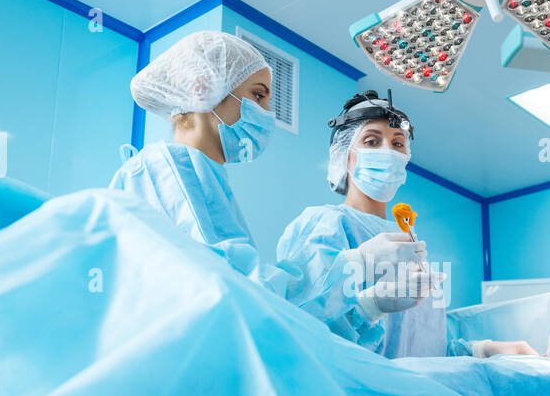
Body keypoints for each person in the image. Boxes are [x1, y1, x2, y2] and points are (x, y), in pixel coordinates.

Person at [111, 31, 430, 341]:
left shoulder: (208, 181)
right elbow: (236, 293)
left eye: (399, 143)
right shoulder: (166, 169)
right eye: (258, 95)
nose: (267, 113)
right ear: (202, 88)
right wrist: (357, 267)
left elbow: (266, 308)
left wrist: (368, 301)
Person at [277, 90, 537, 359]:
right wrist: (369, 305)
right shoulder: (326, 225)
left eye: (398, 143)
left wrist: (481, 350)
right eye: (372, 141)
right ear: (344, 155)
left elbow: (426, 347)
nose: (388, 152)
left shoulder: (408, 244)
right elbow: (302, 328)